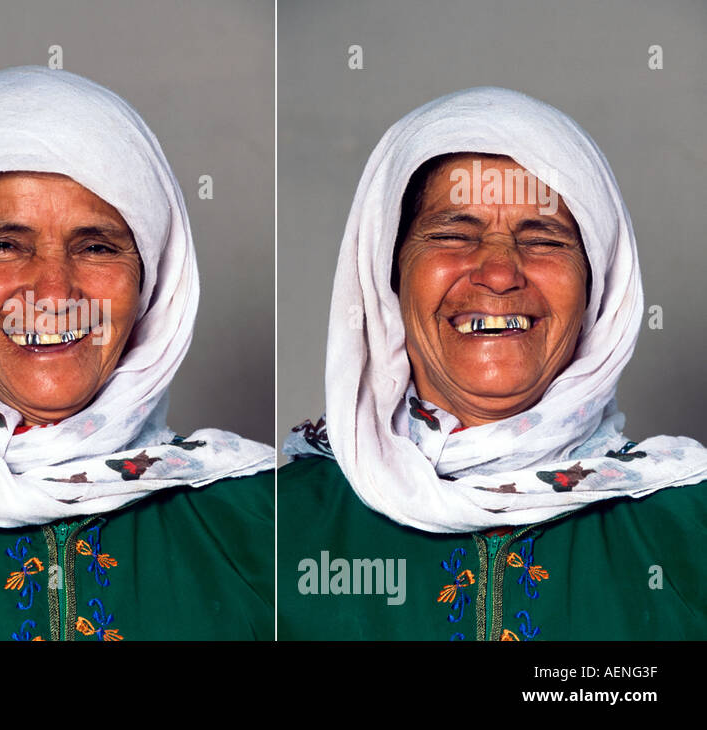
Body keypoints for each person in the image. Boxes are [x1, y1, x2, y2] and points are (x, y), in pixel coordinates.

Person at [0, 66, 277, 640]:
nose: (52, 294)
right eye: (4, 245)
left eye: (96, 247)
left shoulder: (261, 518)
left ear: (151, 278)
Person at [278, 87, 707, 640]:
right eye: (453, 234)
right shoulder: (272, 528)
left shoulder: (690, 526)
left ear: (596, 288)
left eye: (544, 239)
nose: (500, 273)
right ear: (389, 276)